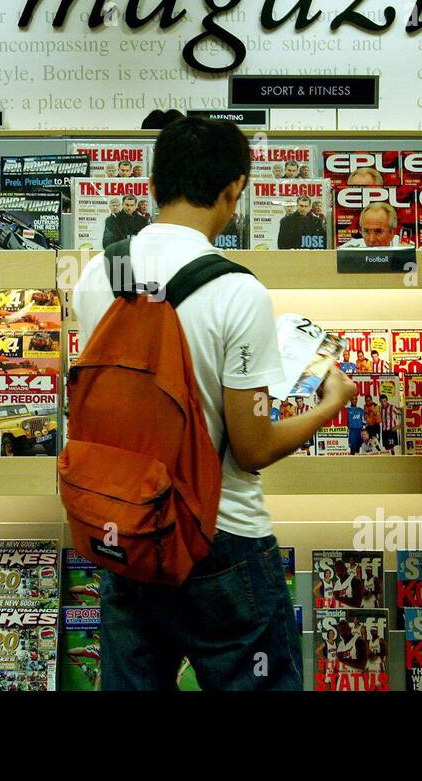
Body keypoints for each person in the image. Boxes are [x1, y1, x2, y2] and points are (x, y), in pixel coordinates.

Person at [71, 116, 357, 691]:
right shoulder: (236, 290)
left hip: (124, 522)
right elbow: (251, 448)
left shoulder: (104, 269)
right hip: (218, 535)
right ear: (233, 191)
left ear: (153, 183)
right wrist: (331, 404)